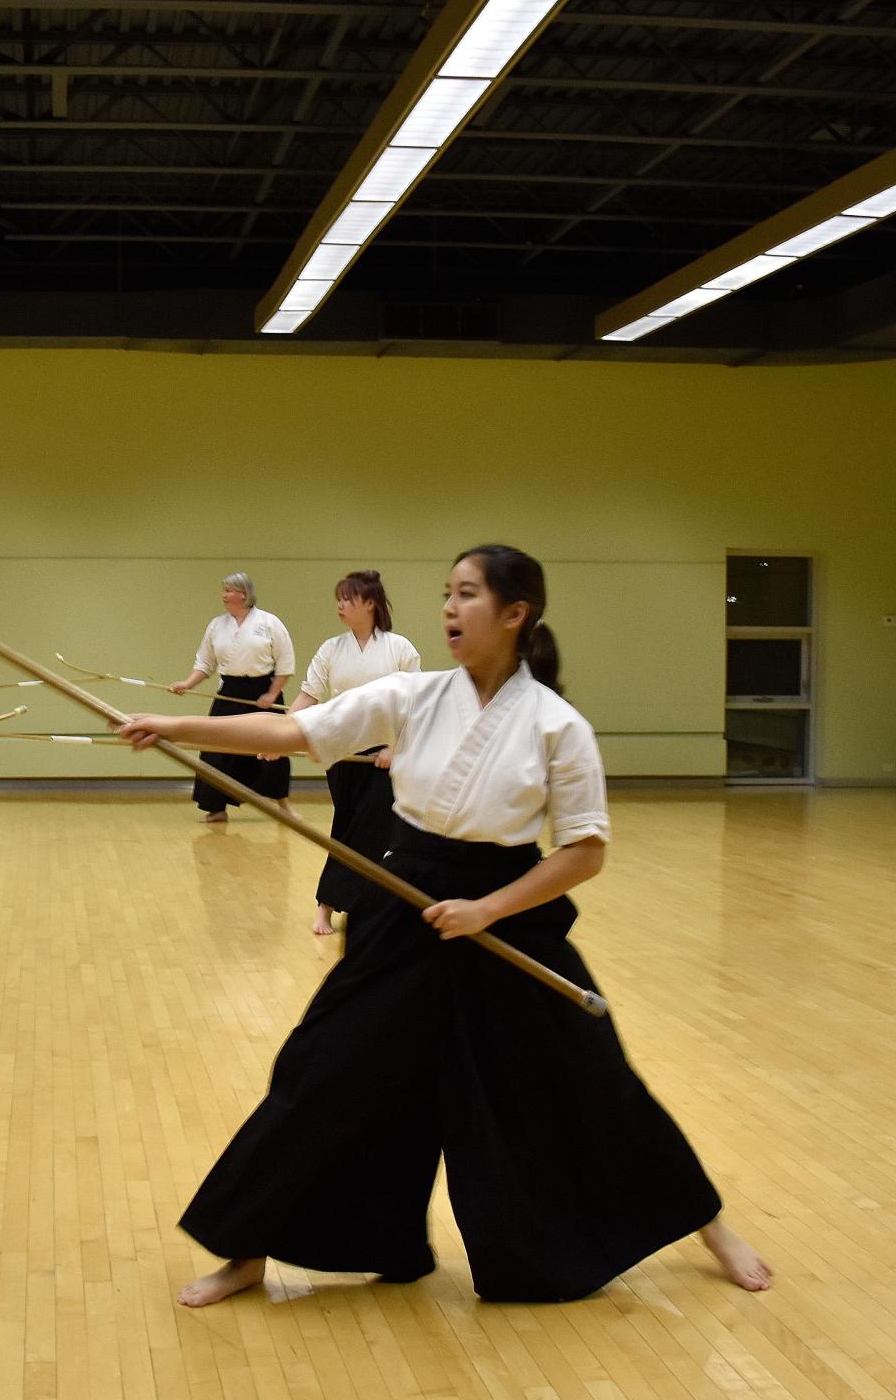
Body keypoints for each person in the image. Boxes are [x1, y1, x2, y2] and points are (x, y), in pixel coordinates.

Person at [121, 545, 772, 1308]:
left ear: (514, 613)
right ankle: (249, 1251)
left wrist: (488, 909)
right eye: (447, 594)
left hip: (507, 911)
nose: (450, 609)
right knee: (320, 1069)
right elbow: (295, 735)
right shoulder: (413, 694)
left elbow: (586, 850)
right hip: (407, 900)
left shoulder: (557, 725)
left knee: (593, 1074)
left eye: (467, 595)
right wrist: (168, 724)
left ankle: (708, 1223)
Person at [288, 570, 420, 935]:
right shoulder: (331, 649)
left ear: (370, 604)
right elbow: (307, 698)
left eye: (348, 599)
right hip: (343, 753)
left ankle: (341, 907)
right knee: (347, 826)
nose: (340, 606)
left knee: (376, 831)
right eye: (339, 599)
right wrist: (279, 737)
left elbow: (413, 706)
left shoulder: (400, 649)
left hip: (384, 758)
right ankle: (331, 906)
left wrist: (394, 747)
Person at [166, 572, 295, 825]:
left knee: (273, 748)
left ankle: (283, 806)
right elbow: (205, 662)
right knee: (215, 747)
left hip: (263, 690)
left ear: (244, 594)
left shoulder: (269, 623)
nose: (224, 595)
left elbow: (285, 663)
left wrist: (271, 694)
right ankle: (215, 808)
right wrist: (187, 683)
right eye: (223, 590)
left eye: (229, 590)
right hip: (230, 690)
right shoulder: (217, 625)